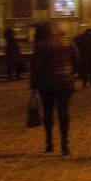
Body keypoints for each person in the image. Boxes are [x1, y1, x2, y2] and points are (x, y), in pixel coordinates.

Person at [29, 23, 78, 155]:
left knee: (48, 113)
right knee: (64, 113)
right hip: (65, 82)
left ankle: (49, 142)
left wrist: (33, 85)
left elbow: (36, 68)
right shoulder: (67, 43)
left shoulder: (41, 45)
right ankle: (64, 144)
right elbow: (77, 60)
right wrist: (71, 73)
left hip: (46, 83)